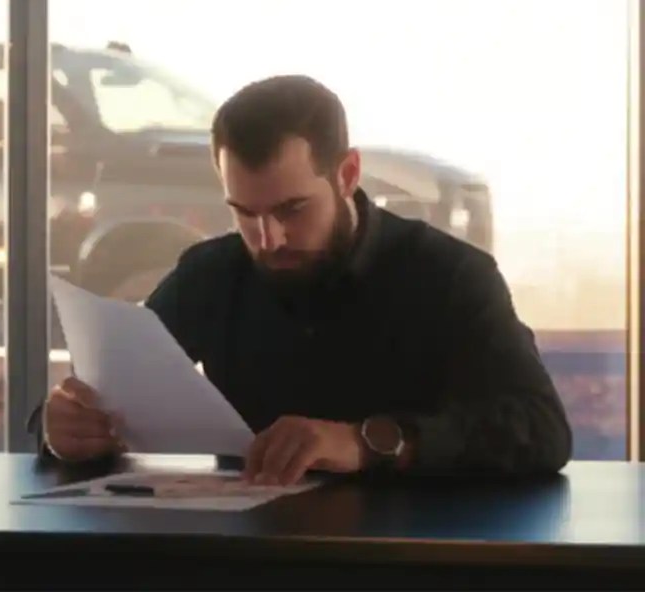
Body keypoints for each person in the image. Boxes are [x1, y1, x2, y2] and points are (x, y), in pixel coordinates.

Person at [36, 74, 572, 485]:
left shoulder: (451, 275)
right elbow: (89, 398)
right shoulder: (212, 274)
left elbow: (542, 430)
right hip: (252, 562)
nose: (267, 239)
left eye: (291, 209)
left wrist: (366, 443)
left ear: (348, 175)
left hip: (412, 561)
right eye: (244, 212)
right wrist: (61, 427)